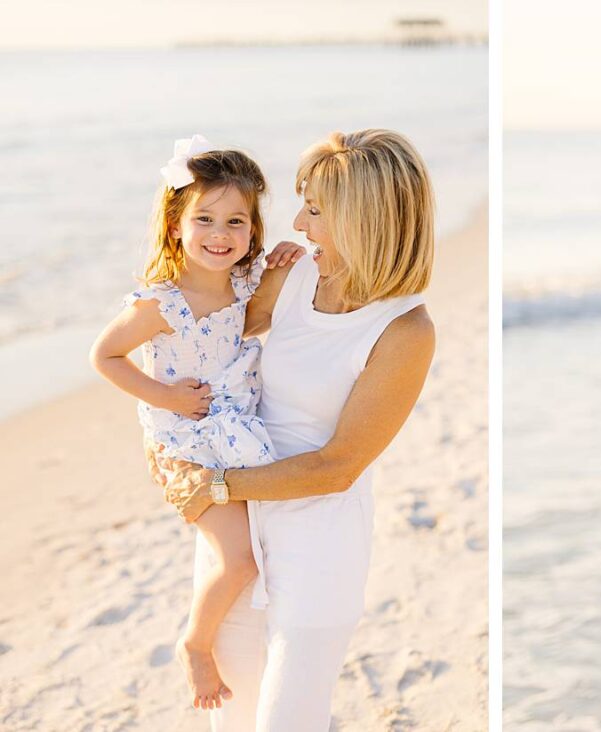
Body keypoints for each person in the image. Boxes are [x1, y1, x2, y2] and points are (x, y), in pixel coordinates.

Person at [149, 129, 437, 731]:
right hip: (238, 531)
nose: (300, 224)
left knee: (289, 720)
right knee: (231, 718)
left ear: (365, 219)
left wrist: (217, 485)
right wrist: (163, 441)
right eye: (304, 205)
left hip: (318, 542)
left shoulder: (404, 330)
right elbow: (200, 340)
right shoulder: (294, 275)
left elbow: (338, 467)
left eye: (316, 210)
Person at [89, 136, 305, 710]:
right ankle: (195, 644)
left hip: (232, 430)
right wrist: (164, 394)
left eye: (236, 221)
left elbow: (256, 319)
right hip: (182, 447)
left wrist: (283, 259)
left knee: (270, 538)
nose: (220, 234)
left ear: (253, 230)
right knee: (240, 560)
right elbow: (104, 356)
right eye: (204, 219)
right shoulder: (162, 303)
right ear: (175, 225)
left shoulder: (242, 282)